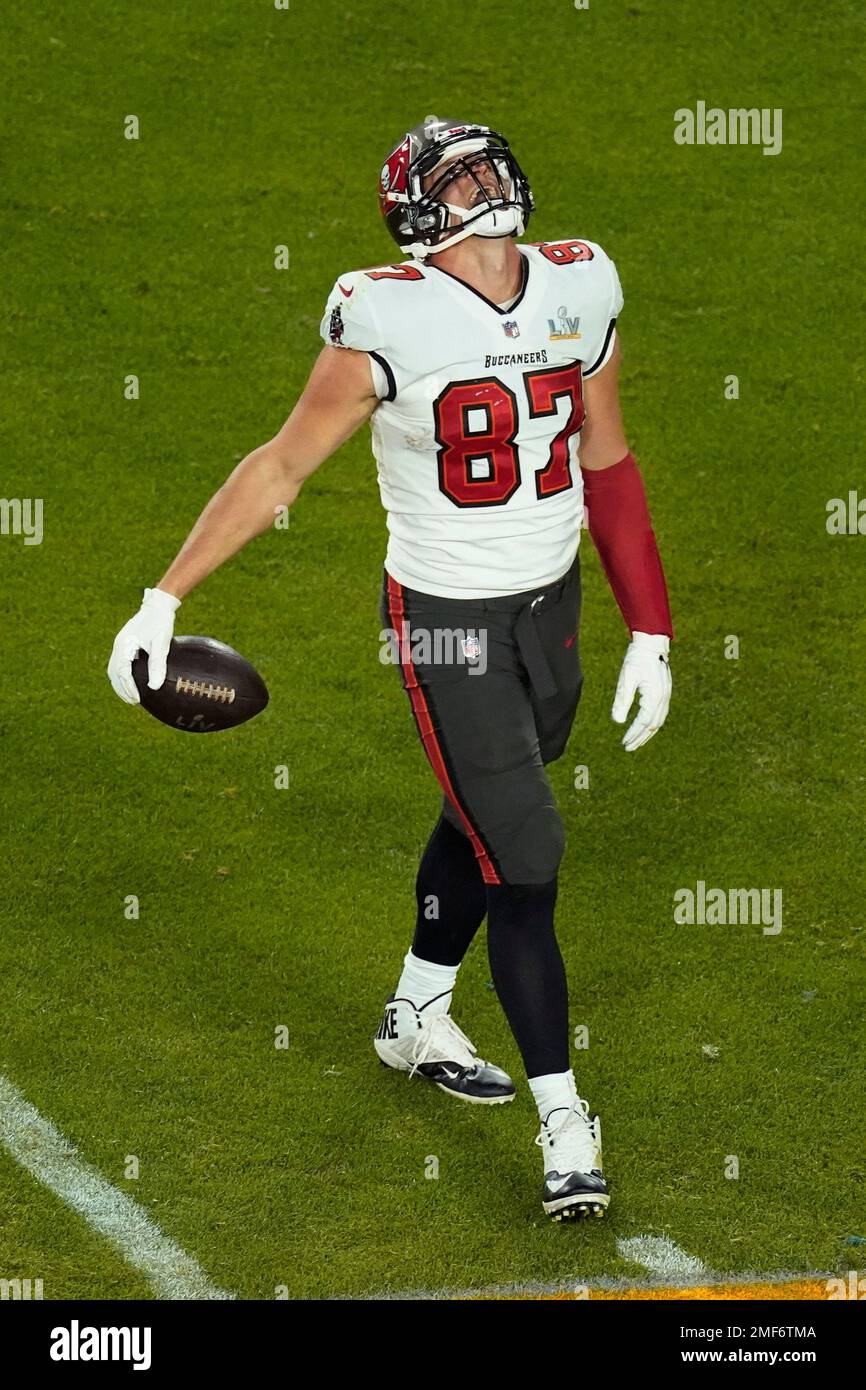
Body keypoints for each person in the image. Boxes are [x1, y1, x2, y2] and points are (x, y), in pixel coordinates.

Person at [108, 116, 673, 1222]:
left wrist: (647, 624)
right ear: (415, 214)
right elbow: (279, 464)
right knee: (527, 856)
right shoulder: (383, 312)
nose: (479, 180)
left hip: (546, 601)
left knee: (489, 804)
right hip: (443, 618)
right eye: (450, 174)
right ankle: (565, 1123)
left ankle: (415, 1010)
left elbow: (604, 457)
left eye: (482, 161)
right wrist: (162, 596)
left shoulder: (581, 281)